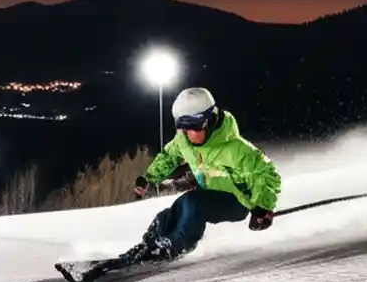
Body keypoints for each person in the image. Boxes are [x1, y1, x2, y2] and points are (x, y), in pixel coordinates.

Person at [119, 87, 282, 264]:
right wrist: (149, 178)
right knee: (178, 207)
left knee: (193, 204)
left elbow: (266, 173)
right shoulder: (184, 141)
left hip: (237, 201)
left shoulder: (235, 148)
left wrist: (262, 207)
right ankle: (152, 241)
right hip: (210, 193)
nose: (190, 134)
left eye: (195, 125)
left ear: (210, 119)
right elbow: (169, 156)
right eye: (183, 126)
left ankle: (174, 247)